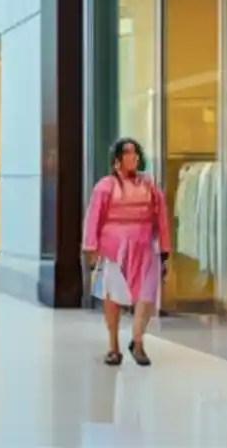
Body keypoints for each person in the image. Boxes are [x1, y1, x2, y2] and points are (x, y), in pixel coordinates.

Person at [83, 137, 171, 367]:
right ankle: (113, 346)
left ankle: (138, 341)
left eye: (135, 153)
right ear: (117, 160)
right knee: (112, 297)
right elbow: (94, 218)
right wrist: (90, 248)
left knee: (146, 296)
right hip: (114, 251)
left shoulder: (150, 186)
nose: (133, 157)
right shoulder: (105, 186)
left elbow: (161, 218)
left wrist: (164, 249)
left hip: (145, 249)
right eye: (128, 153)